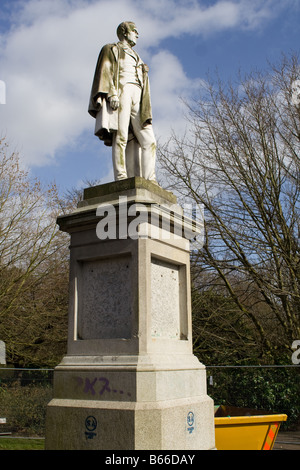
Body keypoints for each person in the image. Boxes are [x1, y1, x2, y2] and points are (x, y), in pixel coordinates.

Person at [88, 22, 157, 182]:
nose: (137, 34)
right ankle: (121, 176)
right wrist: (112, 94)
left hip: (139, 96)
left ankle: (150, 180)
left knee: (149, 140)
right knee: (121, 135)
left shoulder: (138, 57)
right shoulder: (111, 48)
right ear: (125, 32)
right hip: (122, 91)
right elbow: (105, 71)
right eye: (134, 31)